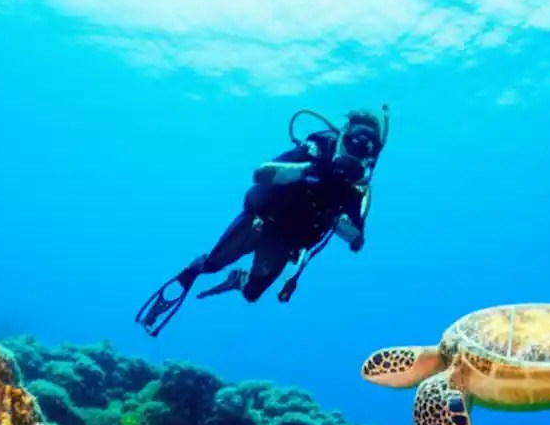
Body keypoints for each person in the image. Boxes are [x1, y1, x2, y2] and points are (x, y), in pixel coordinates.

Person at [135, 106, 389, 336]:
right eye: (354, 139)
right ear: (343, 134)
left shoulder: (358, 189)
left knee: (252, 294)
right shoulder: (315, 150)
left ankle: (238, 280)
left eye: (367, 146)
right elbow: (261, 173)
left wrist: (343, 213)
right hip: (259, 221)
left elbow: (355, 241)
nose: (358, 148)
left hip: (286, 241)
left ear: (373, 153)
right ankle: (188, 275)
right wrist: (307, 170)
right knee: (211, 264)